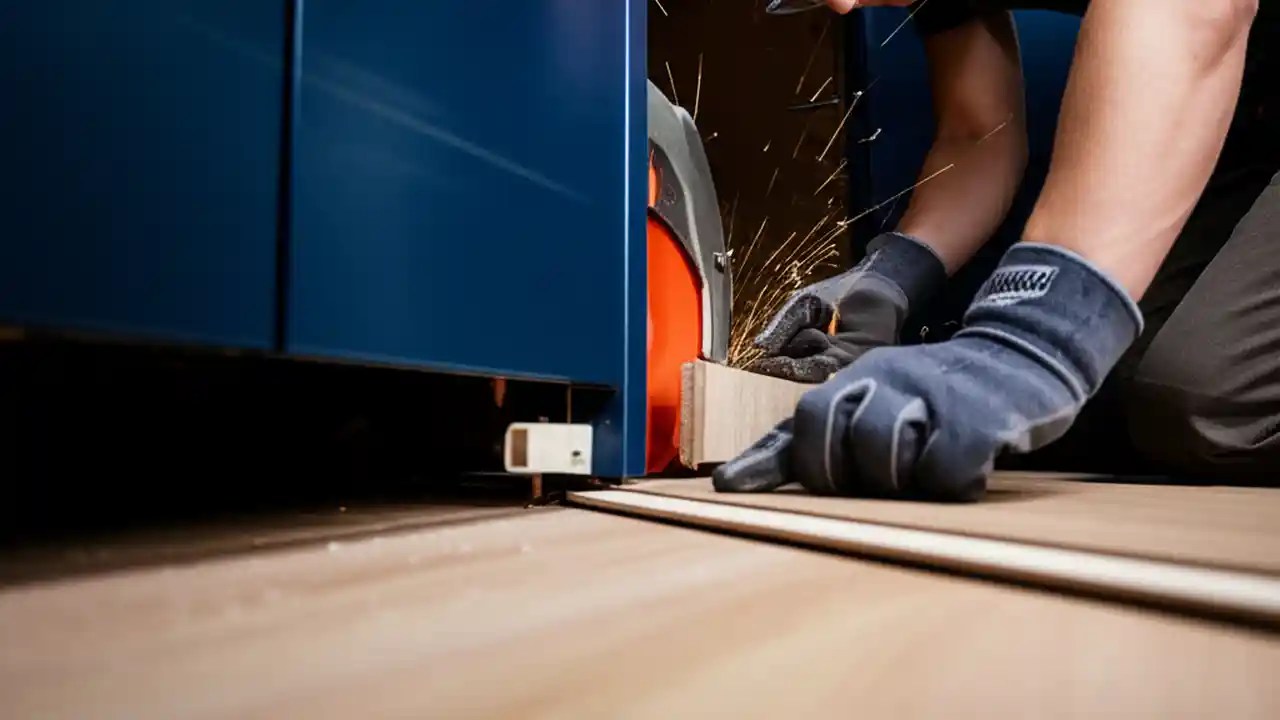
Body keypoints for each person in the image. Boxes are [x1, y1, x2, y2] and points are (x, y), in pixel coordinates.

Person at [716, 0, 1279, 498]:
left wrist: (1039, 331)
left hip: (1213, 44)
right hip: (1244, 102)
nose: (842, 7)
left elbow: (1200, 9)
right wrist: (891, 276)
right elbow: (979, 131)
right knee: (1106, 396)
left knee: (1205, 404)